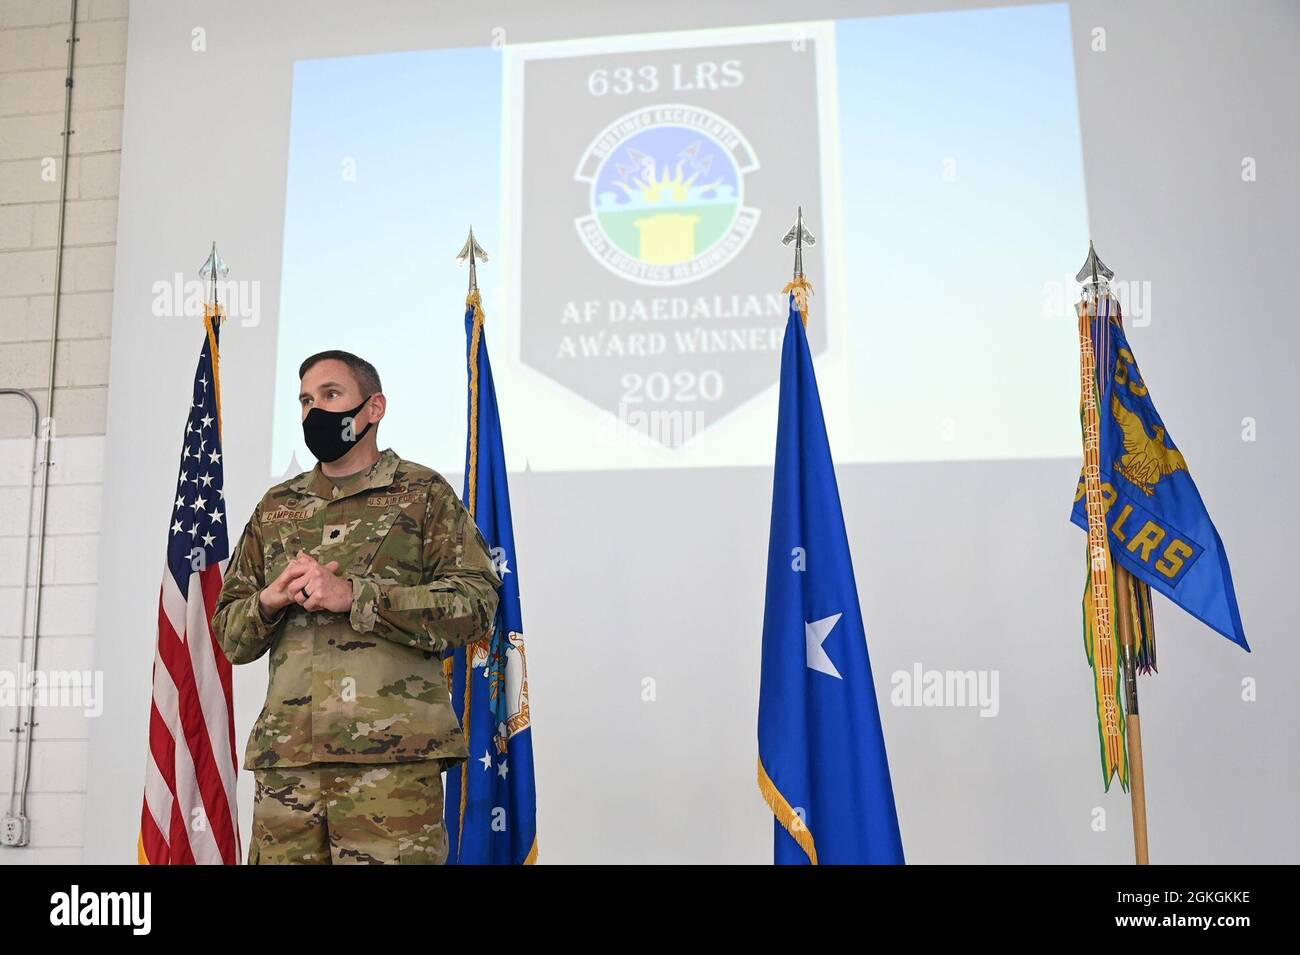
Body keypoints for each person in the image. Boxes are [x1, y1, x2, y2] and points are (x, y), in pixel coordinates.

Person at [211, 349, 501, 864]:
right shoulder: (278, 508)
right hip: (289, 767)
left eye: (330, 395)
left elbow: (475, 605)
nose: (314, 411)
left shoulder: (422, 494)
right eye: (305, 400)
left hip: (390, 767)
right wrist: (270, 600)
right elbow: (231, 636)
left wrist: (358, 597)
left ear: (374, 408)